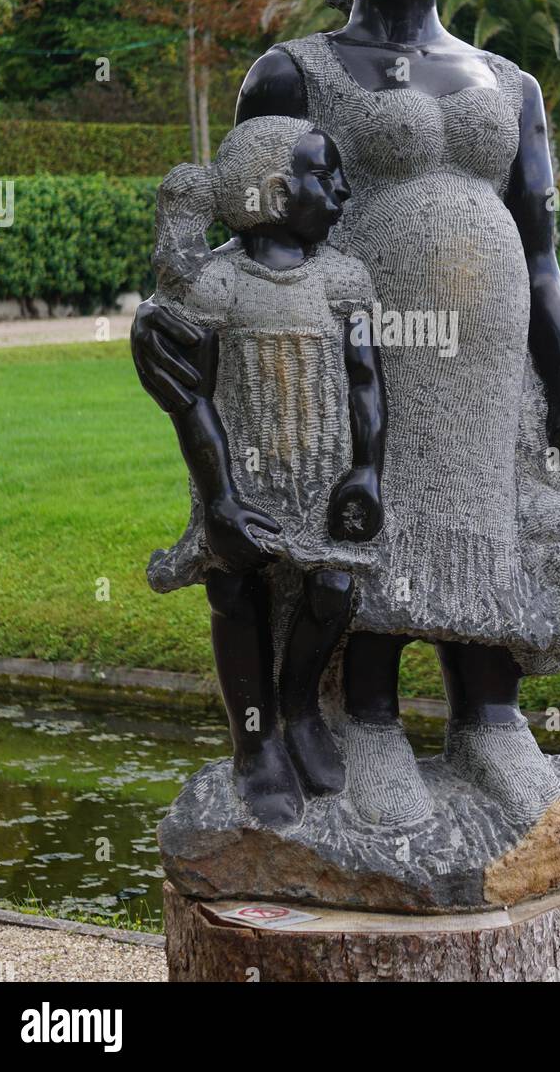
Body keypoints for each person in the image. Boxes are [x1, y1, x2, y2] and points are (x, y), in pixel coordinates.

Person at [133, 0, 560, 831]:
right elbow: (249, 225)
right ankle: (364, 721)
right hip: (358, 354)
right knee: (368, 522)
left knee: (489, 517)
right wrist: (177, 305)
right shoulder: (292, 71)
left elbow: (540, 251)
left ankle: (487, 716)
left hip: (494, 363)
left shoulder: (510, 86)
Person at [140, 115, 386, 825]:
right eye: (325, 175)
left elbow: (367, 383)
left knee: (334, 588)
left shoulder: (345, 279)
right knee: (235, 593)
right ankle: (256, 741)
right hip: (238, 481)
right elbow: (192, 403)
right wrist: (218, 496)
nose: (342, 188)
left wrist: (366, 470)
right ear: (277, 191)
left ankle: (301, 704)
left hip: (326, 475)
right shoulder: (215, 285)